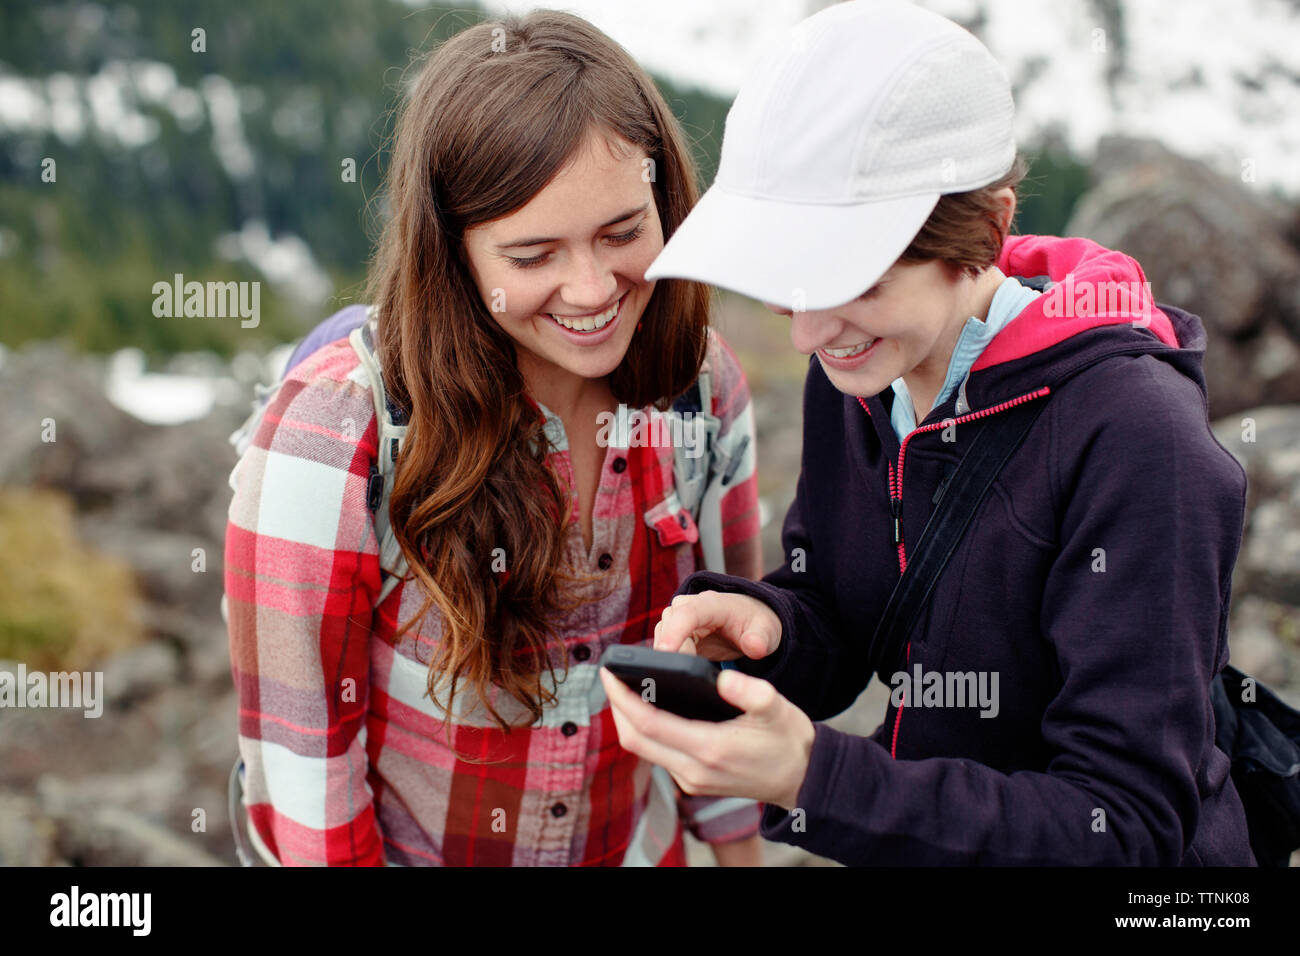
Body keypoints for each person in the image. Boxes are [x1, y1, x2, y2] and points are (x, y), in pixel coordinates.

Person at [600, 0, 1255, 866]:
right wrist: (770, 631)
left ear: (983, 231)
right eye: (789, 285)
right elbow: (848, 607)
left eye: (851, 279)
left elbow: (1127, 827)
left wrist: (816, 781)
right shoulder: (859, 365)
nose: (806, 333)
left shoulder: (1138, 439)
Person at [224, 10, 765, 866]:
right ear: (455, 255)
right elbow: (305, 772)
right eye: (533, 253)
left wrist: (740, 851)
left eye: (624, 233)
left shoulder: (701, 388)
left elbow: (724, 673)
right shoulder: (334, 433)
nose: (592, 288)